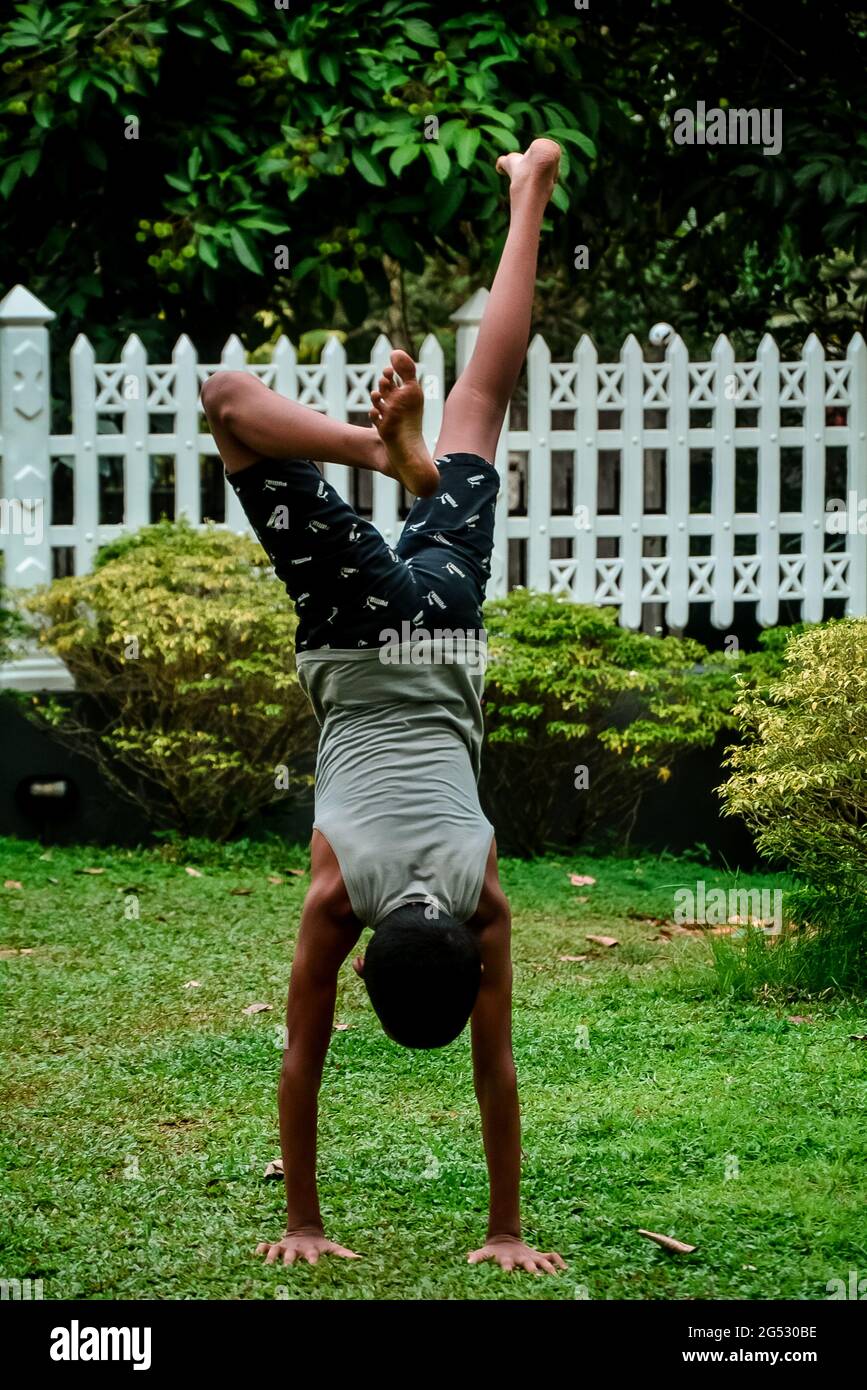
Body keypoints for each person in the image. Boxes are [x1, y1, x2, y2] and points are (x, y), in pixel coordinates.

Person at [202, 139, 565, 1275]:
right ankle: (373, 449)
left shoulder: (486, 899)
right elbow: (302, 1061)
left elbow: (498, 1068)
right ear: (362, 963)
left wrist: (510, 1224)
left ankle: (529, 189)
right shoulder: (332, 895)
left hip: (448, 624)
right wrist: (302, 1222)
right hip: (359, 628)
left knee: (481, 400)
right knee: (226, 402)